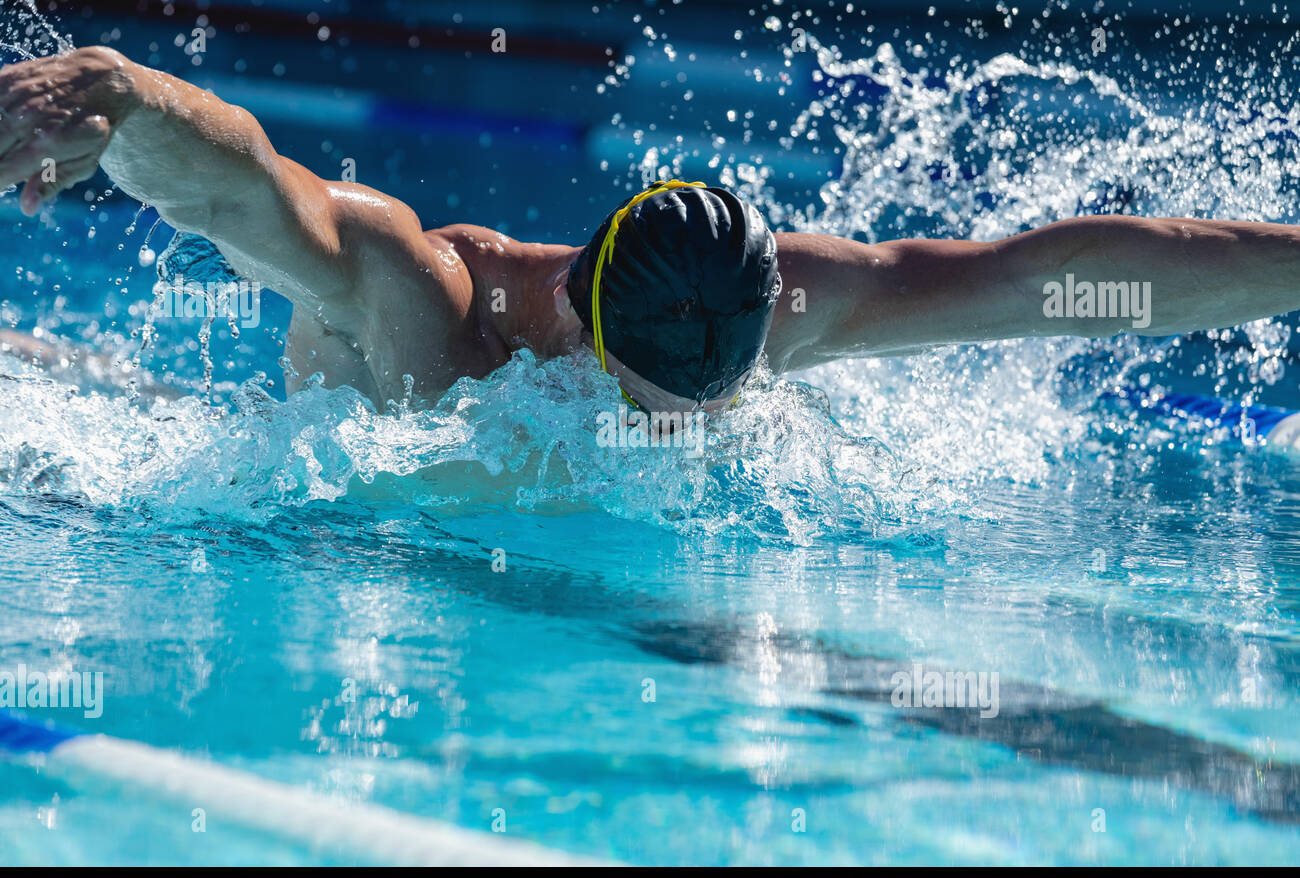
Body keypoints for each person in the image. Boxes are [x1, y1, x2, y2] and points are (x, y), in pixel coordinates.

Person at [3, 46, 1299, 417]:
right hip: (337, 523)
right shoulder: (414, 301)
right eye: (645, 393)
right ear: (578, 309)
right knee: (122, 408)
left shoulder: (789, 305)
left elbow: (1057, 287)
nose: (671, 424)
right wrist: (117, 94)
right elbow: (245, 191)